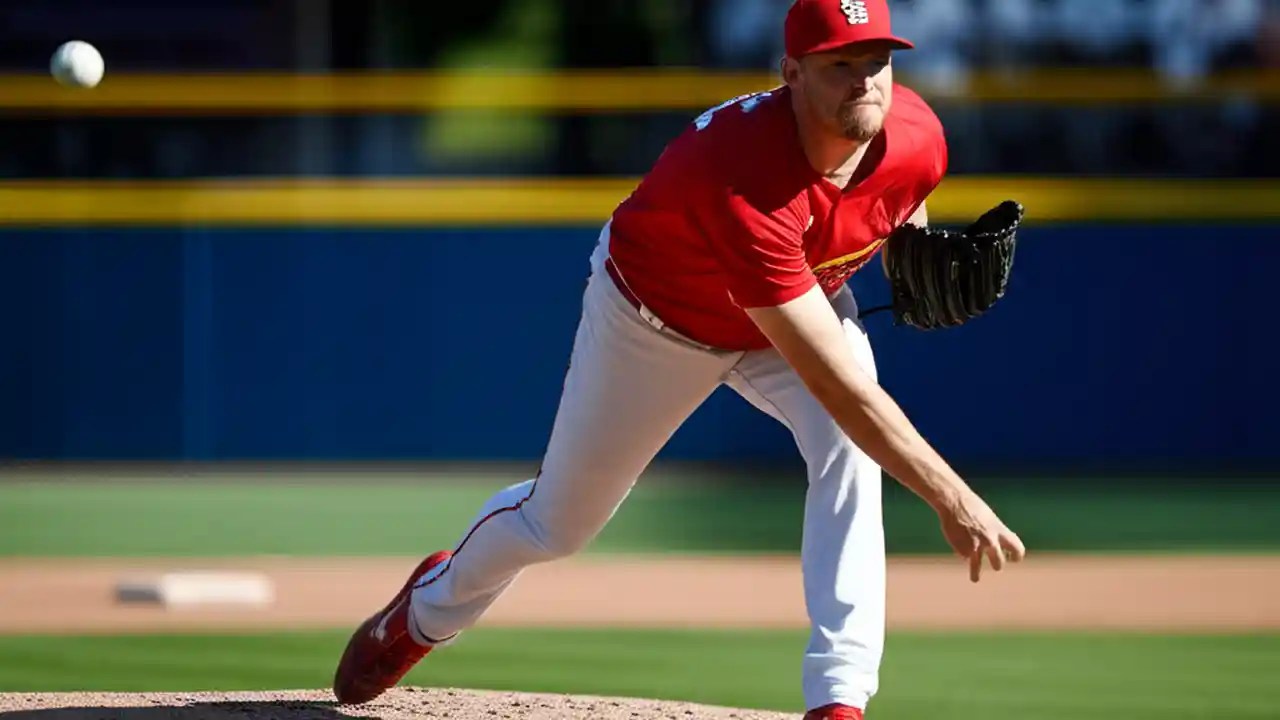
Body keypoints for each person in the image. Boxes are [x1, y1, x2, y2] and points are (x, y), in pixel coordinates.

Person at [331, 1, 1027, 717]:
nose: (866, 82)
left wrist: (908, 241)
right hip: (653, 321)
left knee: (846, 454)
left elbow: (900, 196)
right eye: (839, 64)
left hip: (793, 305)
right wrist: (952, 495)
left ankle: (839, 697)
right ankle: (423, 614)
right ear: (791, 74)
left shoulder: (917, 135)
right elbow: (840, 386)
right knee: (557, 525)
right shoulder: (740, 179)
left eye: (878, 61)